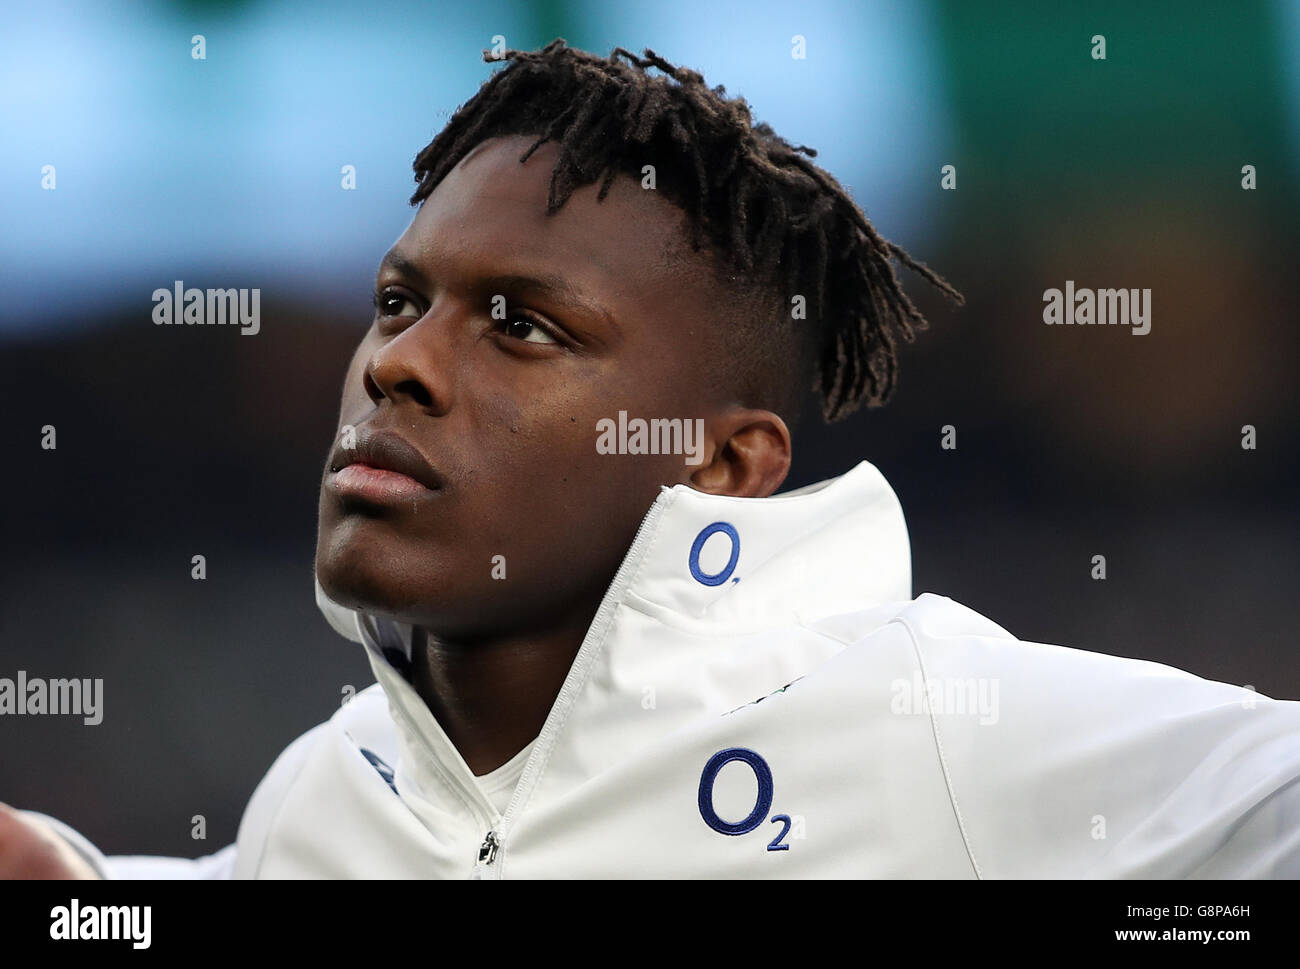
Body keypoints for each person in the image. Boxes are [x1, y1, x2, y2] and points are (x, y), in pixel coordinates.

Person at [6, 39, 1298, 879]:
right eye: (400, 301)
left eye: (522, 325)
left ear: (724, 463)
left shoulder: (932, 730)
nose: (397, 365)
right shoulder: (330, 796)